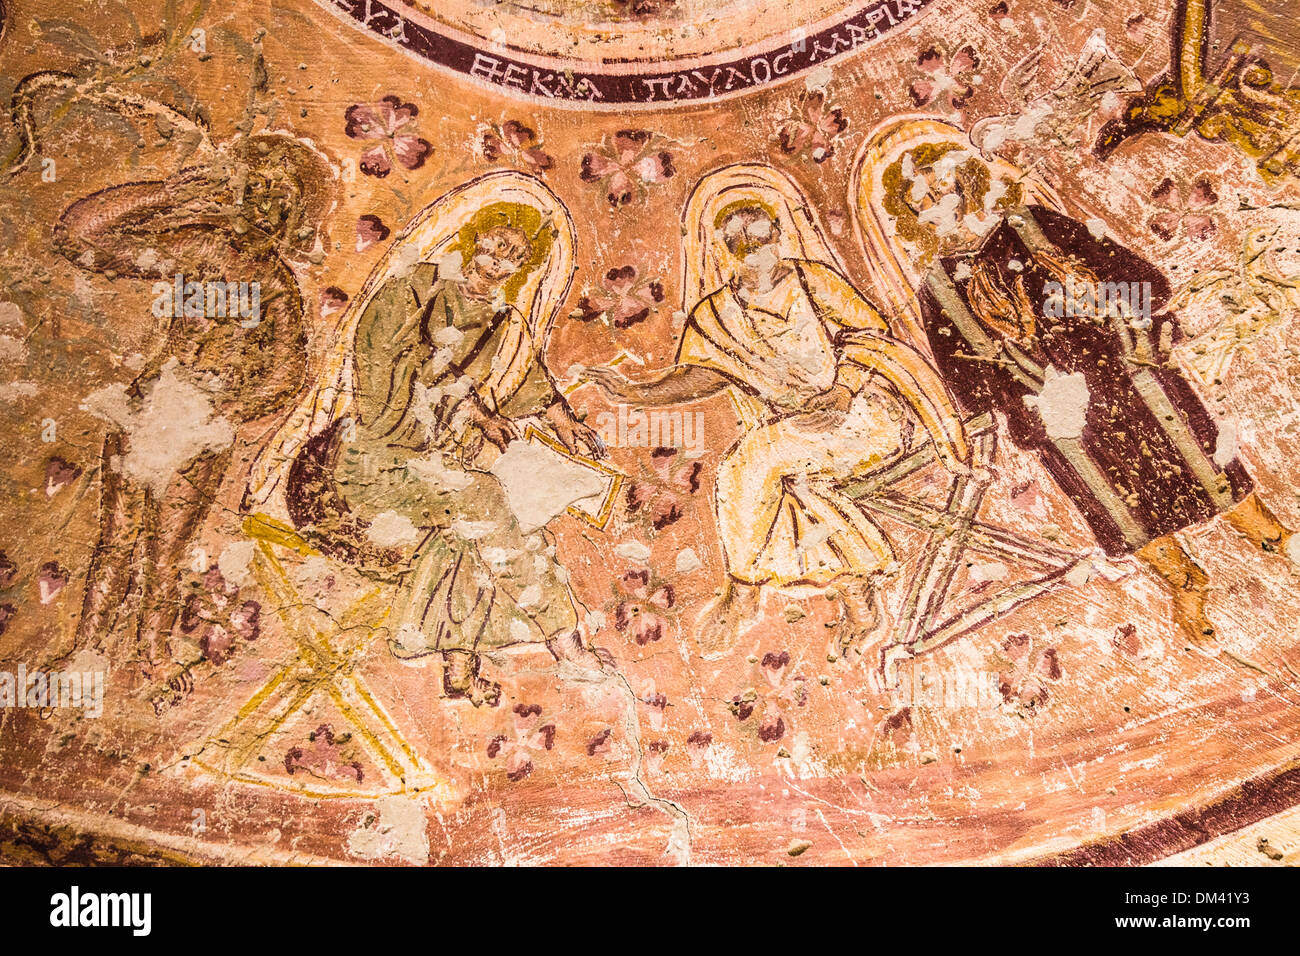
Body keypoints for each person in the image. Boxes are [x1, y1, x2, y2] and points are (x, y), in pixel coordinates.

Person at [878, 138, 1296, 645]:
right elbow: (964, 380)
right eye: (923, 199)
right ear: (915, 213)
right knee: (1119, 502)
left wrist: (1117, 315)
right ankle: (1185, 580)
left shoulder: (1032, 224)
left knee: (1200, 460)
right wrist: (1022, 393)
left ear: (965, 186)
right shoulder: (939, 284)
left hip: (1120, 366)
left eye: (943, 186)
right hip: (1054, 405)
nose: (938, 201)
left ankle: (1275, 537)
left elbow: (1130, 274)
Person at [585, 165, 970, 657]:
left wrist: (843, 393)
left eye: (763, 237)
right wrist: (635, 393)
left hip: (865, 415)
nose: (756, 251)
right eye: (742, 243)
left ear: (780, 235)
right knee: (783, 478)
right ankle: (858, 595)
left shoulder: (815, 283)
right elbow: (703, 374)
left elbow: (870, 338)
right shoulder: (717, 313)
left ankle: (744, 590)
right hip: (798, 434)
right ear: (727, 249)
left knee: (754, 463)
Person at [254, 176, 605, 706]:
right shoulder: (414, 288)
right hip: (358, 464)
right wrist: (474, 410)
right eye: (493, 243)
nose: (497, 259)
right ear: (473, 240)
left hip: (423, 468)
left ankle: (459, 671)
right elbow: (390, 369)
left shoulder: (499, 321)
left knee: (471, 525)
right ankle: (568, 646)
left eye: (513, 255)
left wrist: (564, 421)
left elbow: (526, 376)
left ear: (521, 268)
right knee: (481, 498)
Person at [55, 132, 335, 683]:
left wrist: (217, 411)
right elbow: (80, 237)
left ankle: (151, 654)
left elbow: (285, 374)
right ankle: (85, 652)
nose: (262, 205)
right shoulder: (202, 249)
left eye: (280, 198)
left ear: (293, 216)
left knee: (165, 549)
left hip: (200, 426)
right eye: (252, 189)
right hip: (149, 410)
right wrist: (168, 195)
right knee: (115, 538)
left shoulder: (275, 285)